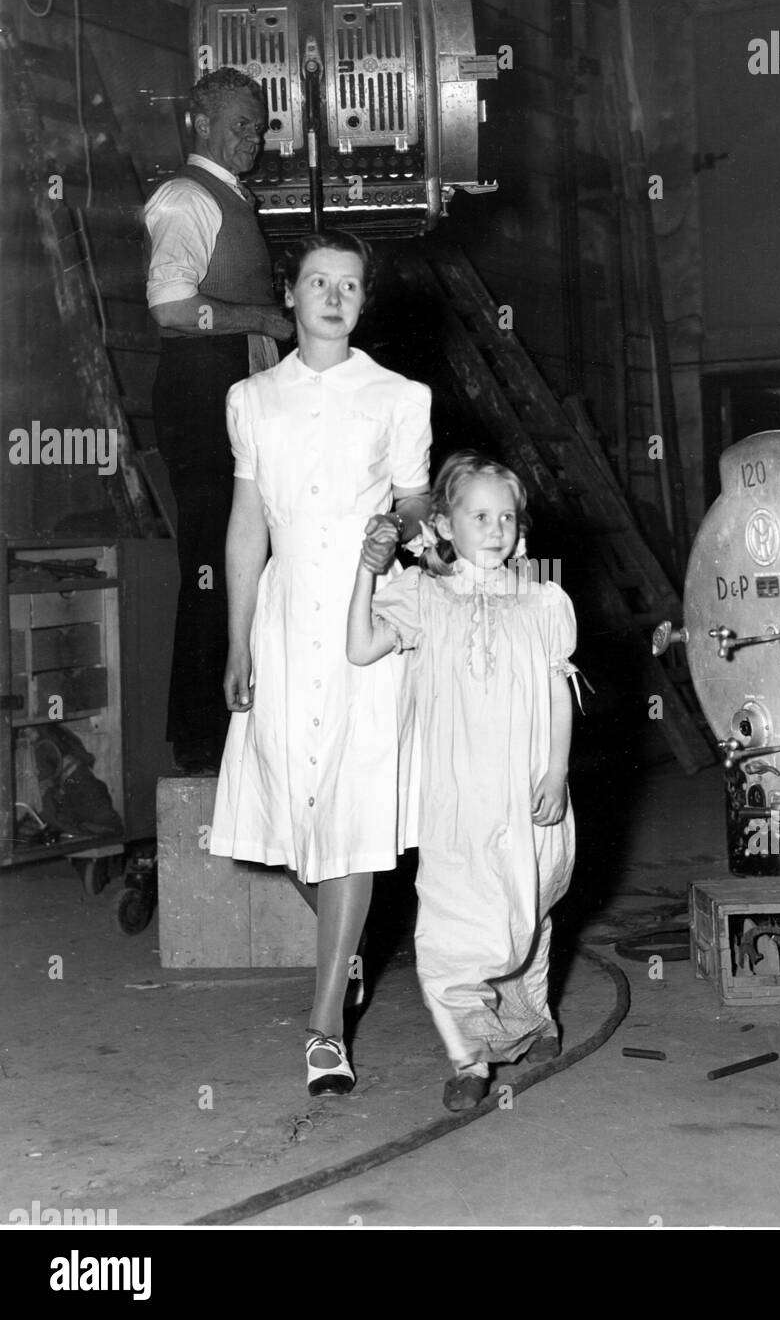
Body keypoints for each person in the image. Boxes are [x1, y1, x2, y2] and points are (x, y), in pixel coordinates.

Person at [209, 231, 431, 1096]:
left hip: (364, 619)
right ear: (291, 296)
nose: (334, 295)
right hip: (281, 614)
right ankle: (350, 955)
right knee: (293, 826)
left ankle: (323, 1028)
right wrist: (235, 637)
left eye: (349, 284)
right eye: (317, 282)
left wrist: (401, 530)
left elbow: (415, 498)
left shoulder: (398, 396)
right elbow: (246, 526)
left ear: (363, 301)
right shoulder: (251, 399)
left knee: (352, 815)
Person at [347, 451, 578, 1112]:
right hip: (455, 798)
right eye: (479, 514)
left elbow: (561, 693)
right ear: (445, 525)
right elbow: (360, 647)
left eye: (506, 515)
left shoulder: (543, 601)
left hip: (528, 789)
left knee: (527, 912)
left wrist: (558, 771)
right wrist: (365, 575)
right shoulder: (426, 598)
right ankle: (467, 1059)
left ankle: (533, 1019)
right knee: (450, 930)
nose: (496, 527)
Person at [145, 66, 294, 774]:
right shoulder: (185, 197)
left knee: (243, 561)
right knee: (211, 562)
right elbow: (172, 307)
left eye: (260, 126)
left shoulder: (235, 200)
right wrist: (263, 315)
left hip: (235, 386)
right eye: (241, 125)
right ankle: (202, 739)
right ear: (199, 124)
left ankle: (233, 729)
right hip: (202, 391)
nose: (255, 139)